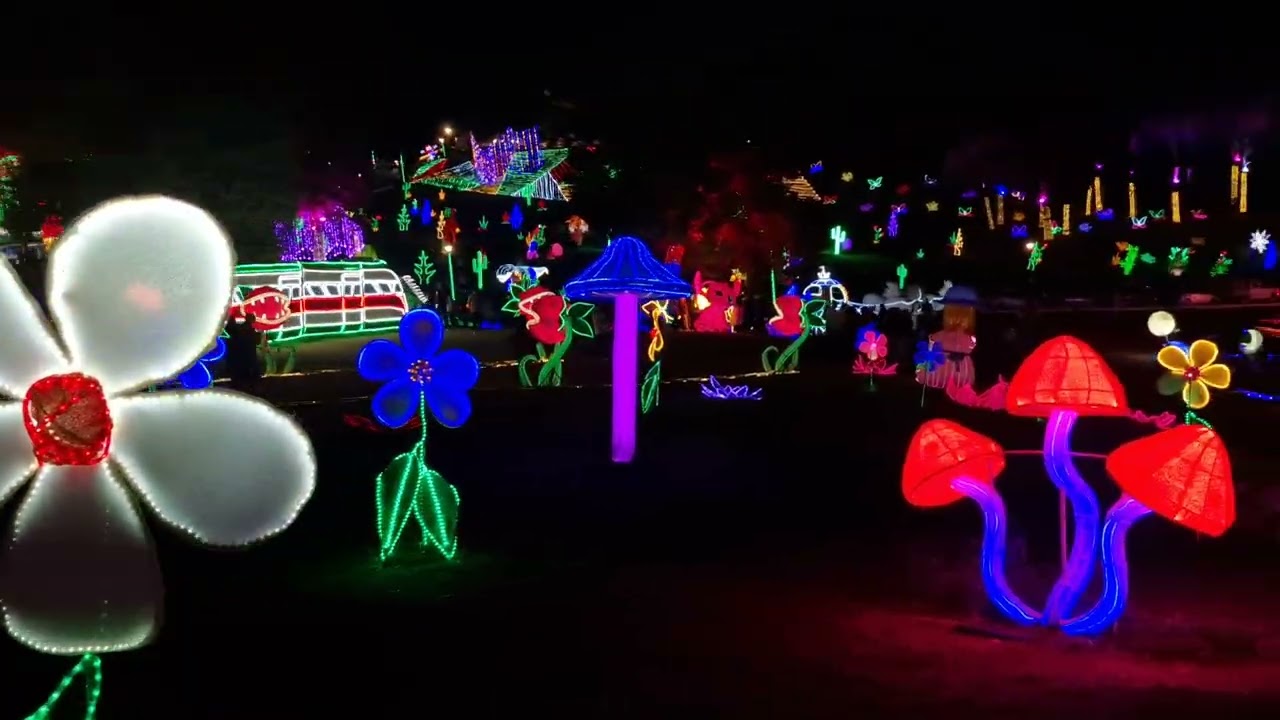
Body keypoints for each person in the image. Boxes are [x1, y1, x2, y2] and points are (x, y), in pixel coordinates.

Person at [226, 315, 263, 393]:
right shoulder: (247, 330)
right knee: (249, 372)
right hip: (247, 354)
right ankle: (252, 387)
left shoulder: (239, 329)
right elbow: (257, 341)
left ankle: (243, 387)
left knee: (241, 374)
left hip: (241, 355)